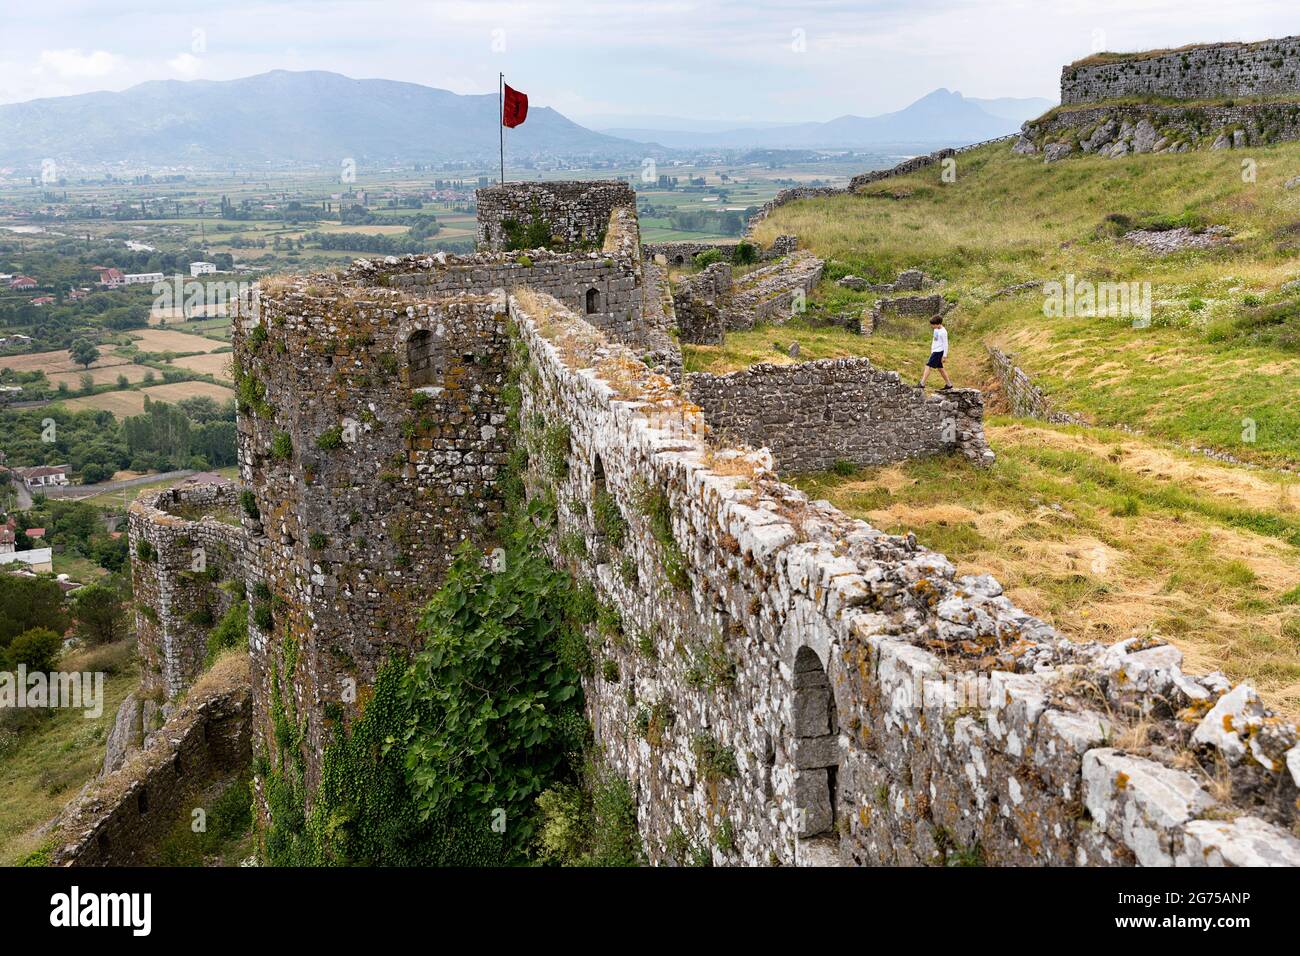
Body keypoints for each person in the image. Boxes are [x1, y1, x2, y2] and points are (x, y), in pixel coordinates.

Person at [918, 314, 953, 390]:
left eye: (933, 325)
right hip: (935, 351)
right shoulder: (936, 330)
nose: (932, 326)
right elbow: (935, 340)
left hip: (939, 352)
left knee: (928, 366)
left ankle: (922, 383)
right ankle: (949, 384)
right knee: (940, 368)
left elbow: (945, 344)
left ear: (939, 324)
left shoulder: (943, 332)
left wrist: (944, 355)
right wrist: (932, 351)